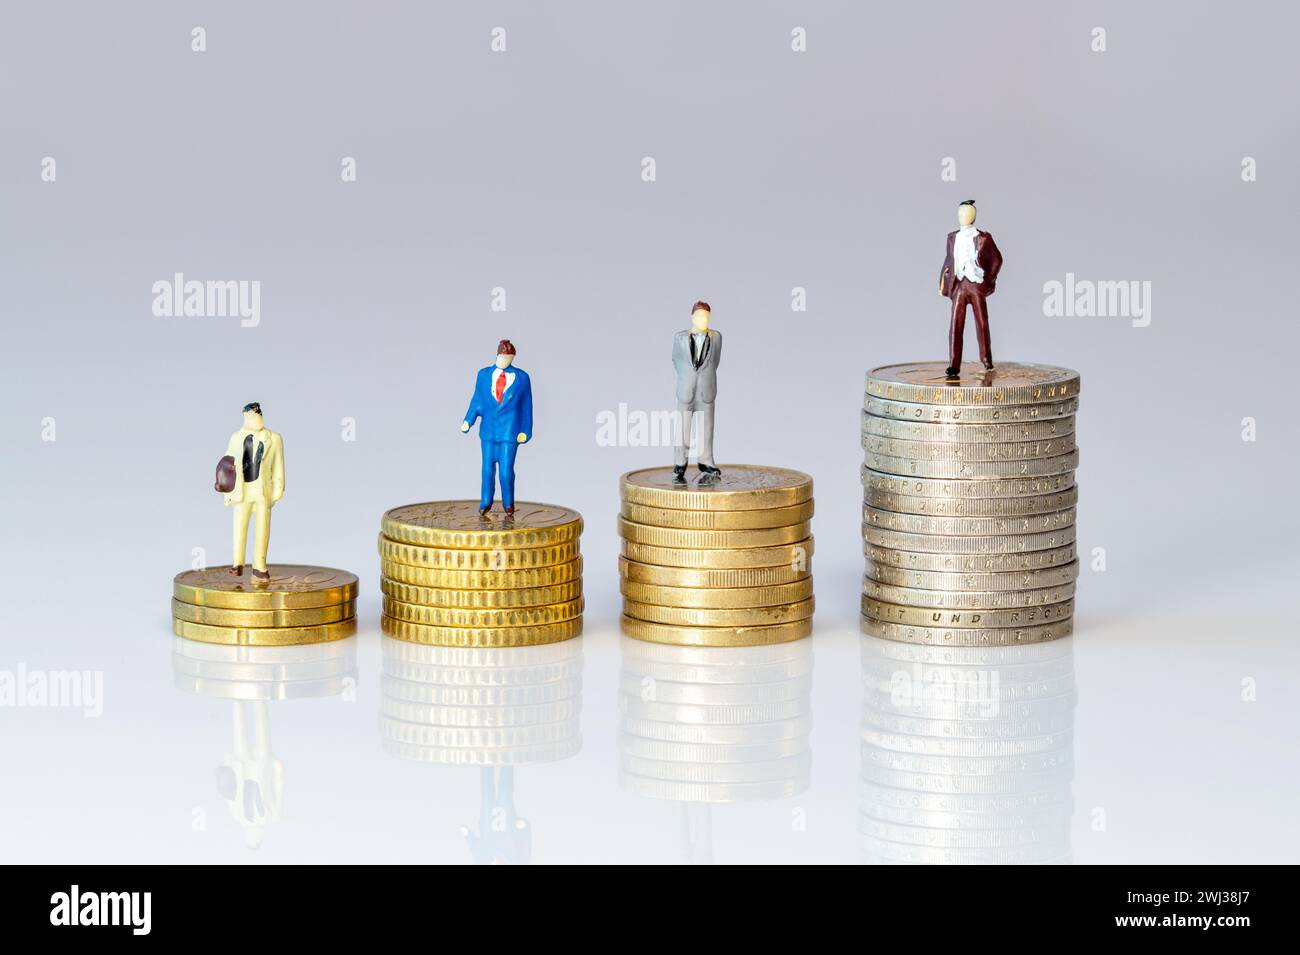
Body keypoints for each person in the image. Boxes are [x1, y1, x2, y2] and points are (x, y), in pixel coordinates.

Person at [462, 340, 532, 515]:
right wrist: (468, 420)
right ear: (497, 355)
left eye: (509, 357)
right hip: (488, 431)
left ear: (513, 357)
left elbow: (527, 406)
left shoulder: (522, 378)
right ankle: (486, 502)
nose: (505, 359)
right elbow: (477, 400)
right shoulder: (484, 375)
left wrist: (525, 430)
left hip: (510, 432)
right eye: (502, 356)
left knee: (506, 471)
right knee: (487, 468)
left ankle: (508, 503)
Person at [220, 402, 284, 579]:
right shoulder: (236, 437)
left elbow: (278, 467)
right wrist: (226, 485)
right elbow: (227, 461)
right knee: (239, 526)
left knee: (262, 529)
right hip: (243, 490)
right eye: (248, 416)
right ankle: (237, 563)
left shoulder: (275, 438)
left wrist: (277, 491)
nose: (252, 419)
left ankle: (259, 565)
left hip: (263, 491)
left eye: (255, 415)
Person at [939, 200, 1002, 377]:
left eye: (964, 213)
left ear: (972, 216)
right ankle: (953, 364)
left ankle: (987, 360)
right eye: (959, 213)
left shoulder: (984, 238)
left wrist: (988, 279)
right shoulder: (952, 237)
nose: (961, 217)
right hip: (959, 284)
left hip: (975, 285)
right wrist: (942, 282)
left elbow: (997, 259)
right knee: (955, 324)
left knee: (982, 322)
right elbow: (948, 260)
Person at [671, 301, 722, 480]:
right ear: (692, 317)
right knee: (683, 426)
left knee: (706, 426)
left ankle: (706, 460)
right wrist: (687, 377)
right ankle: (680, 461)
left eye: (706, 316)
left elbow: (715, 361)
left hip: (706, 389)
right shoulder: (680, 338)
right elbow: (676, 360)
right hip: (686, 389)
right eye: (699, 315)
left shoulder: (716, 337)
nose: (703, 319)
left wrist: (704, 377)